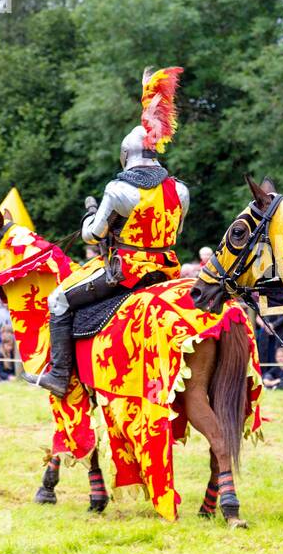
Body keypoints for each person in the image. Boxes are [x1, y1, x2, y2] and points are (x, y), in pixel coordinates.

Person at [28, 66, 190, 398]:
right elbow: (175, 231)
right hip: (167, 271)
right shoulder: (181, 190)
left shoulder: (120, 188)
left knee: (58, 300)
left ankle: (59, 375)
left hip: (126, 272)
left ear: (126, 155)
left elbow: (92, 237)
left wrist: (91, 215)